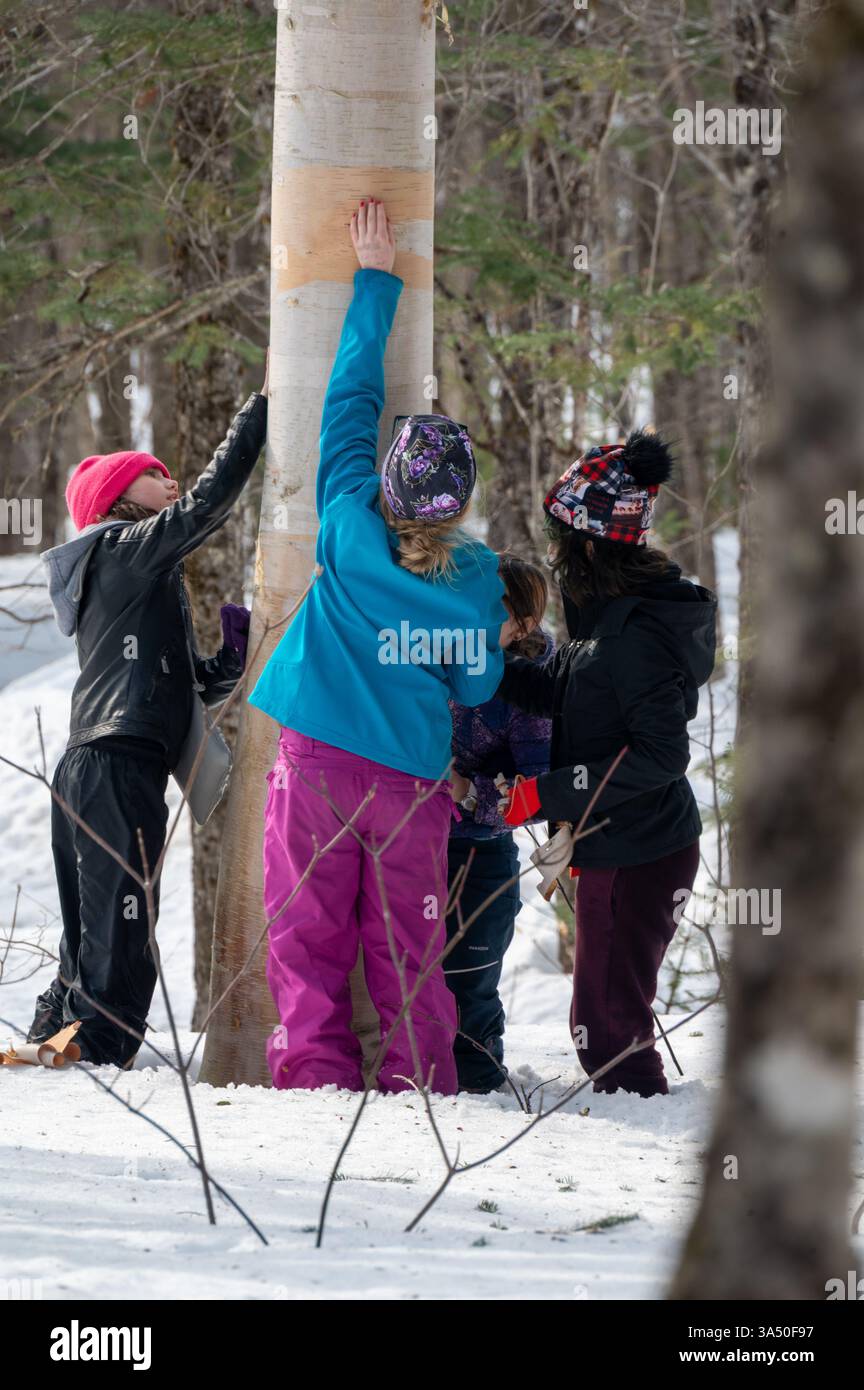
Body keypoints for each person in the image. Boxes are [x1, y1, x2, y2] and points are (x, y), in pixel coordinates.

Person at [248, 198, 508, 1095]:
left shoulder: (347, 518)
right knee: (410, 948)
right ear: (459, 505)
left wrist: (375, 279)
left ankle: (315, 1083)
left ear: (385, 478)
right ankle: (417, 1087)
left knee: (304, 932)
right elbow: (478, 689)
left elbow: (350, 393)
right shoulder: (476, 577)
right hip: (410, 781)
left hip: (314, 760)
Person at [28, 368, 269, 1066]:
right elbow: (205, 506)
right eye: (153, 475)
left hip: (92, 761)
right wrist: (258, 411)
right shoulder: (125, 549)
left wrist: (231, 658)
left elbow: (187, 685)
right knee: (122, 919)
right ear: (114, 499)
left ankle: (58, 1030)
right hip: (117, 759)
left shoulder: (124, 572)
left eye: (168, 474)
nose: (169, 480)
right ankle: (101, 1046)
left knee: (94, 922)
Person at [496, 431, 717, 1097]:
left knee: (608, 1024)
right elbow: (562, 690)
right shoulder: (608, 623)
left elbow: (661, 754)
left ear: (590, 546)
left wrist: (547, 794)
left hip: (641, 852)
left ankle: (646, 1135)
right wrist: (487, 668)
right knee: (606, 1016)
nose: (557, 559)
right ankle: (638, 1114)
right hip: (622, 847)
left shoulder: (636, 636)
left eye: (564, 544)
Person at [447, 556, 554, 1092]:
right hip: (402, 842)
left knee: (469, 977)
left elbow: (535, 793)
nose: (475, 615)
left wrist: (466, 792)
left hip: (480, 852)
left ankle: (478, 1083)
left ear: (526, 623)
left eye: (494, 608)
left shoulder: (532, 685)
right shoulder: (436, 644)